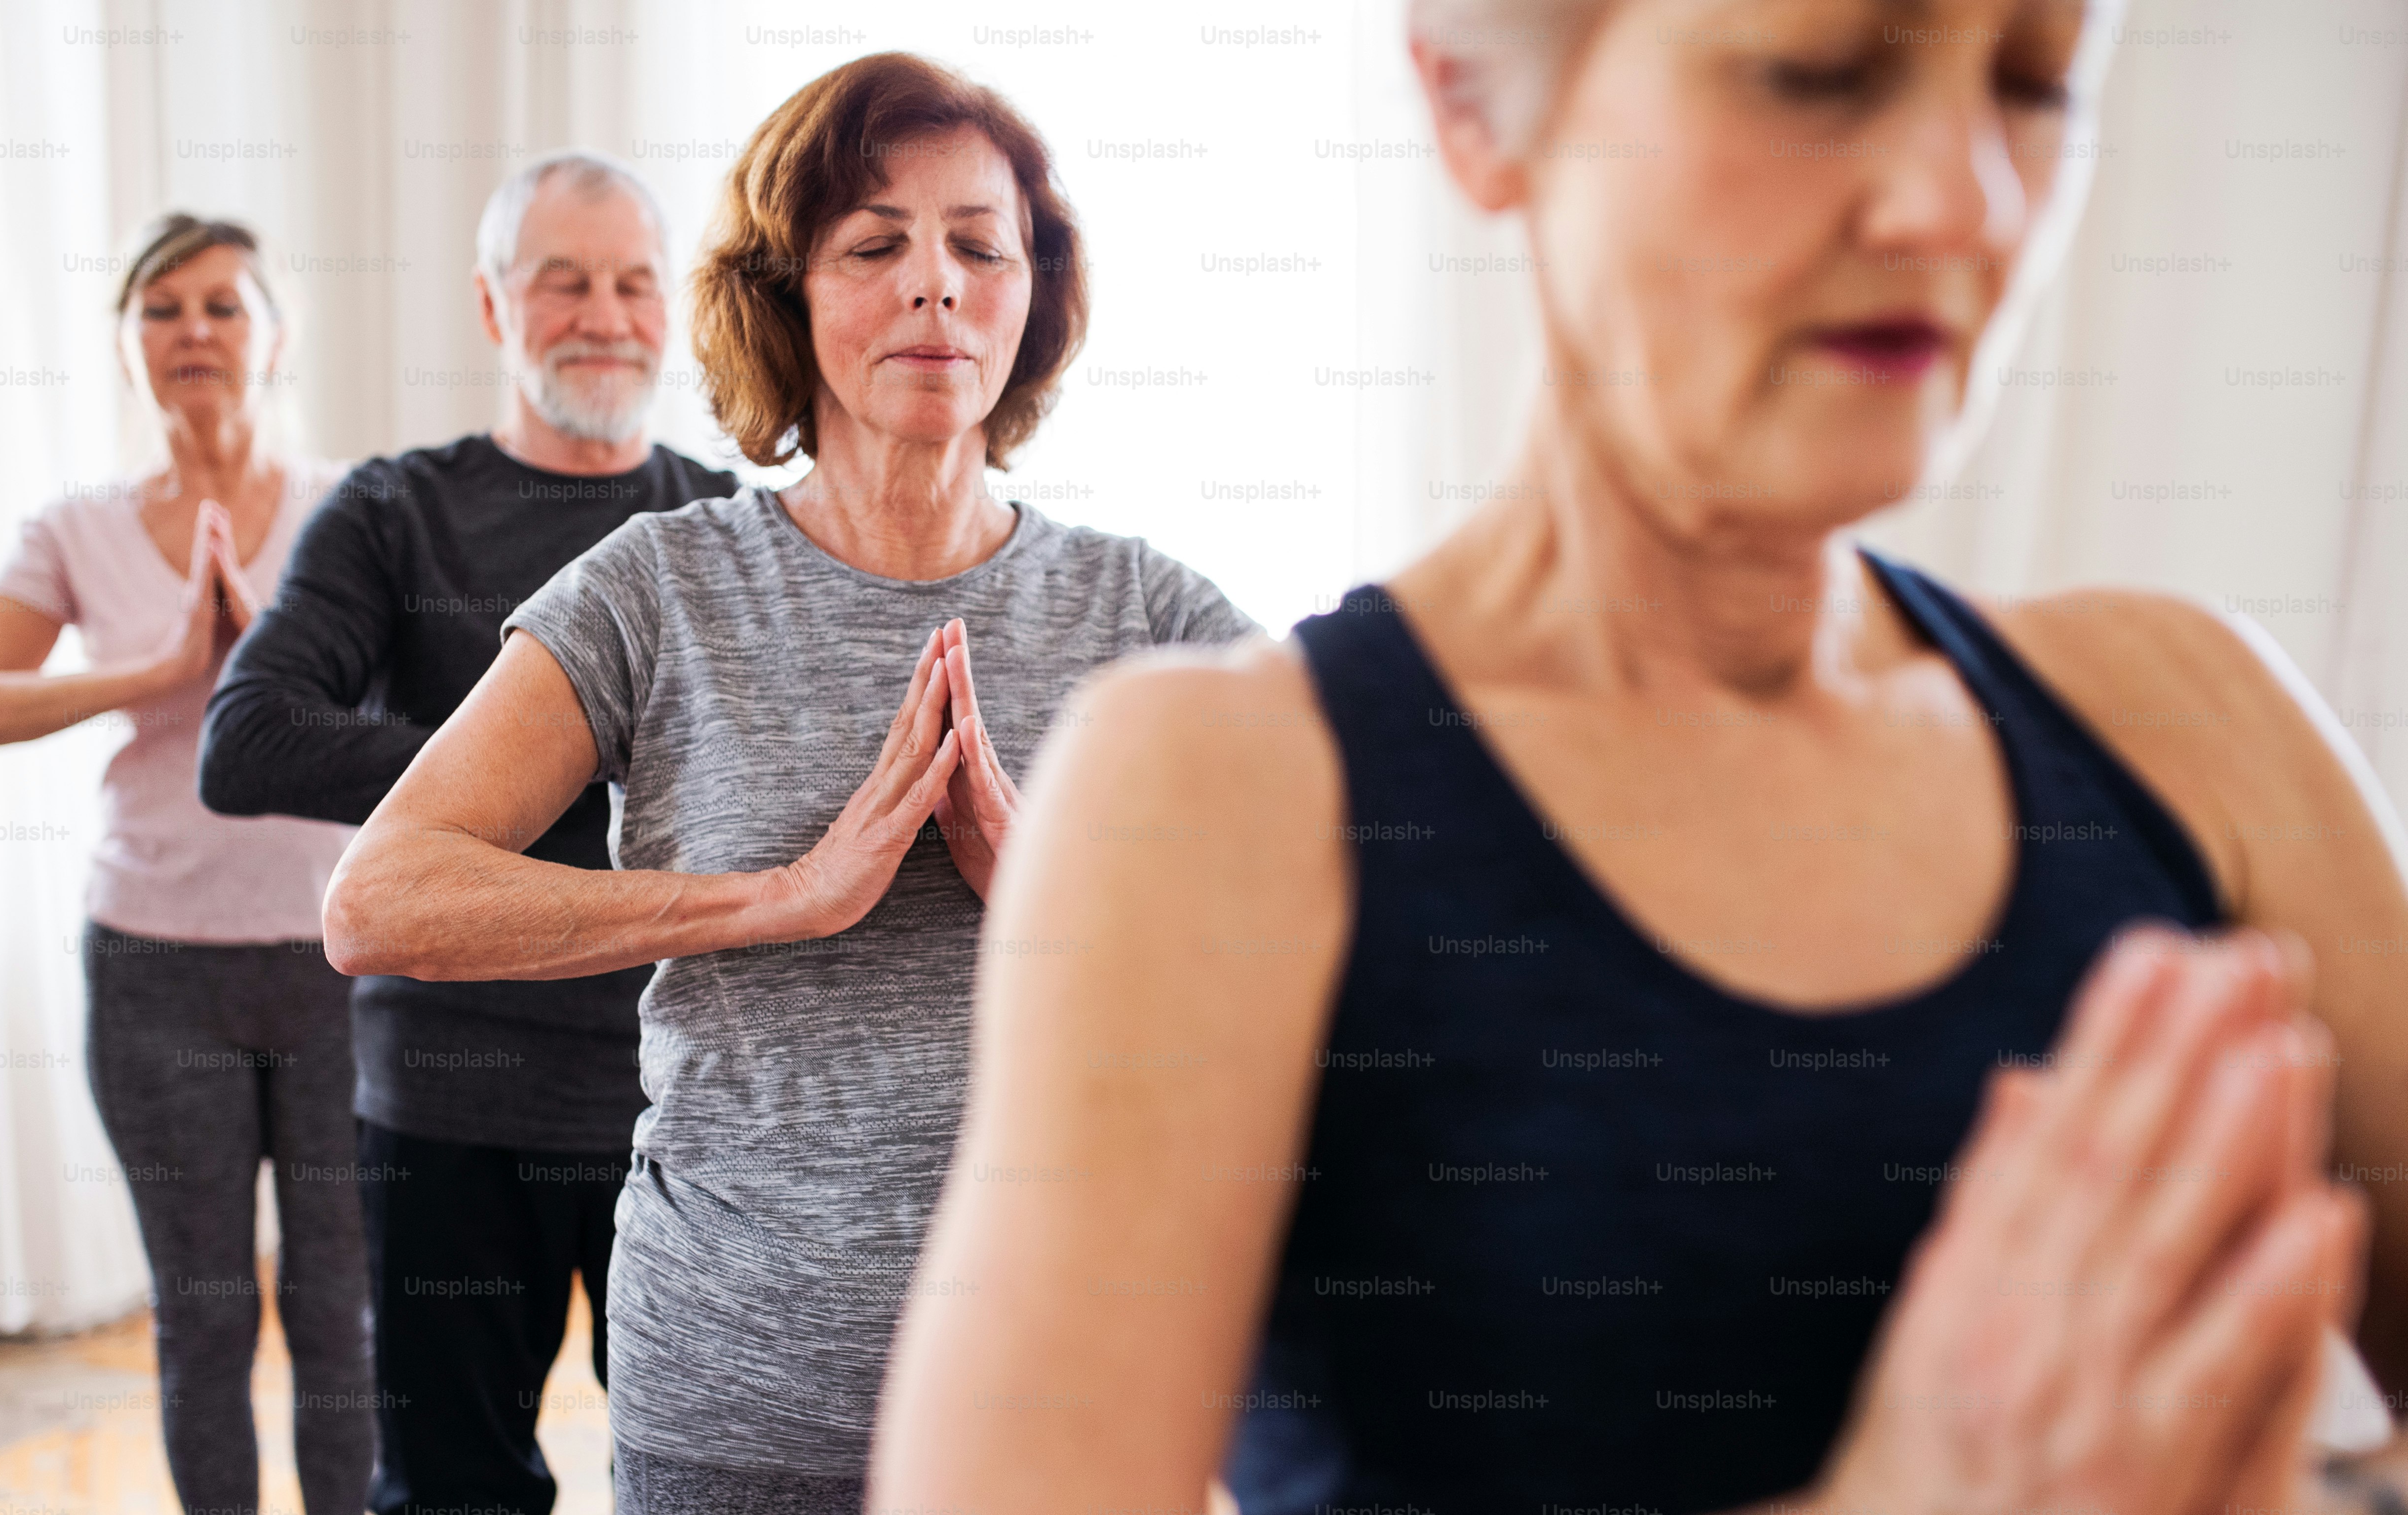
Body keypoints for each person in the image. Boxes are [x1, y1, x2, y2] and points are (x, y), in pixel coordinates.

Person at [869, 1, 2408, 1512]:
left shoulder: (2196, 723)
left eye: (2034, 82)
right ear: (1478, 106)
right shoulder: (1221, 795)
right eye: (1817, 71)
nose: (1964, 201)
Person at [317, 53, 1260, 1513]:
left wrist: (1060, 897)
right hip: (737, 1393)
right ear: (788, 296)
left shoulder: (1147, 613)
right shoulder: (659, 586)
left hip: (1067, 1396)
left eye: (979, 246)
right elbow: (381, 901)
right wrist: (774, 899)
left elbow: (1363, 926)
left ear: (1033, 294)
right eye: (875, 245)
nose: (933, 286)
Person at [194, 152, 736, 1515]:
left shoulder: (730, 528)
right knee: (447, 1490)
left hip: (688, 1104)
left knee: (713, 1478)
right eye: (563, 282)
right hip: (448, 1100)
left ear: (669, 312)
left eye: (631, 284)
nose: (603, 315)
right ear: (496, 310)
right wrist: (528, 772)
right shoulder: (393, 511)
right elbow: (246, 736)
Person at [0, 213, 371, 1515]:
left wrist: (272, 682)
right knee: (204, 1313)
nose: (193, 331)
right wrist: (158, 673)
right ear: (126, 348)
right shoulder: (77, 529)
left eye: (224, 306)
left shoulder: (354, 510)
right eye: (161, 309)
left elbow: (445, 717)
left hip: (339, 963)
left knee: (340, 1310)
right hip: (156, 975)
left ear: (275, 339)